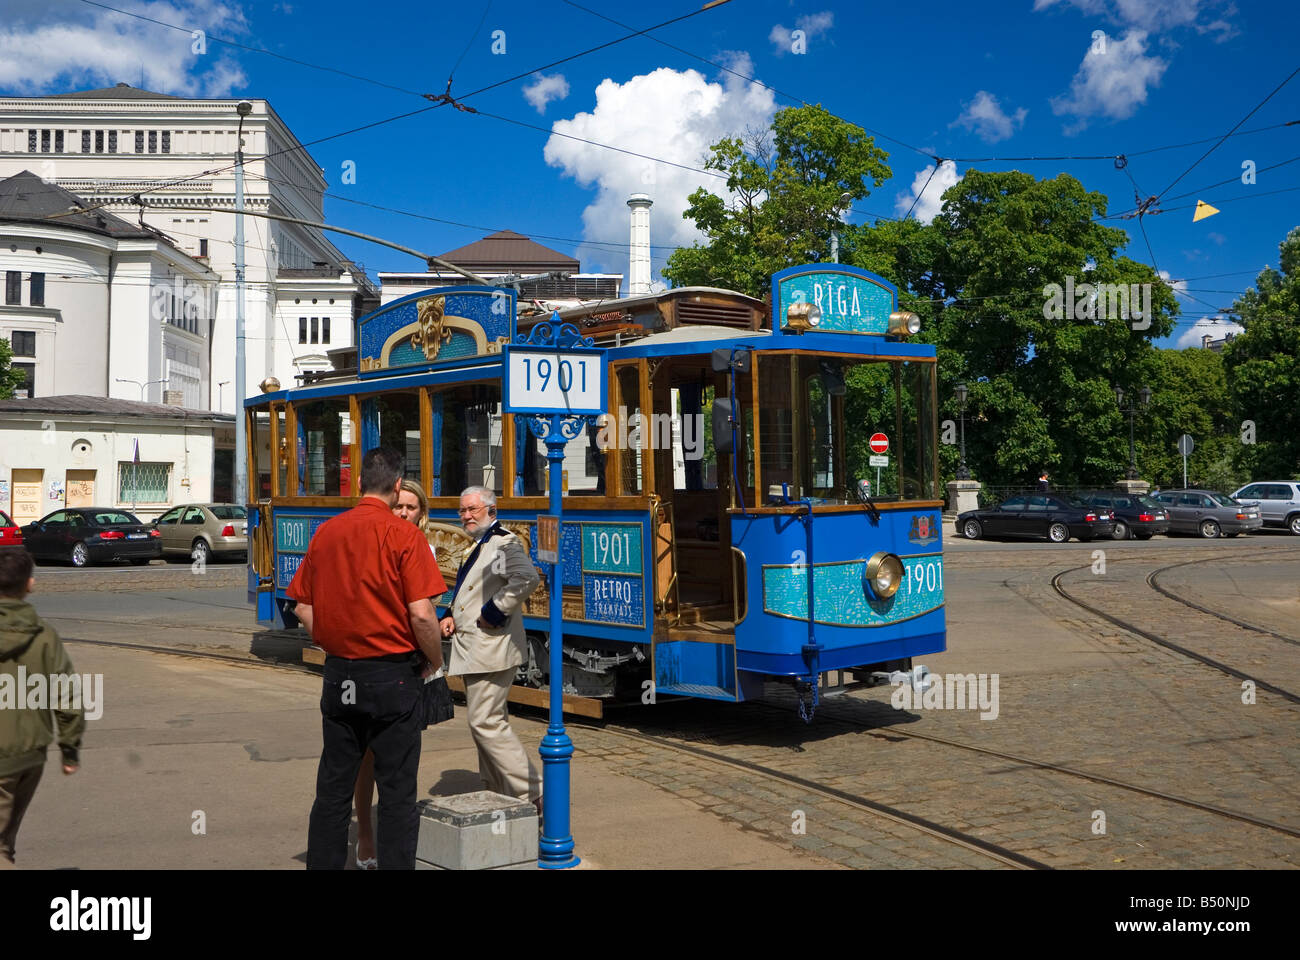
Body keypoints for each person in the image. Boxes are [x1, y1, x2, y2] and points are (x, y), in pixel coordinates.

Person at [289, 449, 447, 870]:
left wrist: (334, 639)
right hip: (393, 676)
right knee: (397, 793)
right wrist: (434, 660)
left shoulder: (327, 532)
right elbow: (421, 613)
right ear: (397, 488)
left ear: (358, 484)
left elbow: (301, 607)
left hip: (341, 674)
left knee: (333, 788)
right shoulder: (405, 536)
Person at [441, 486, 541, 812]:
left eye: (472, 509)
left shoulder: (502, 542)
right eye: (462, 510)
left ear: (491, 510)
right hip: (476, 647)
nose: (466, 516)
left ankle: (534, 792)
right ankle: (497, 791)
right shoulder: (481, 543)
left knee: (485, 722)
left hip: (490, 648)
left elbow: (526, 578)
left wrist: (495, 611)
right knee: (488, 720)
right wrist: (450, 614)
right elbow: (470, 589)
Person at [353, 478, 433, 870]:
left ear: (422, 512)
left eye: (411, 508)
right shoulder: (375, 540)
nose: (403, 513)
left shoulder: (426, 546)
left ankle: (395, 842)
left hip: (411, 663)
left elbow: (432, 606)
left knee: (401, 760)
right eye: (398, 506)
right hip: (380, 662)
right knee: (368, 755)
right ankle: (366, 833)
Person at [0, 547, 84, 868]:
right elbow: (68, 699)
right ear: (30, 585)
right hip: (29, 755)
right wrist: (70, 751)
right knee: (6, 841)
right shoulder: (45, 637)